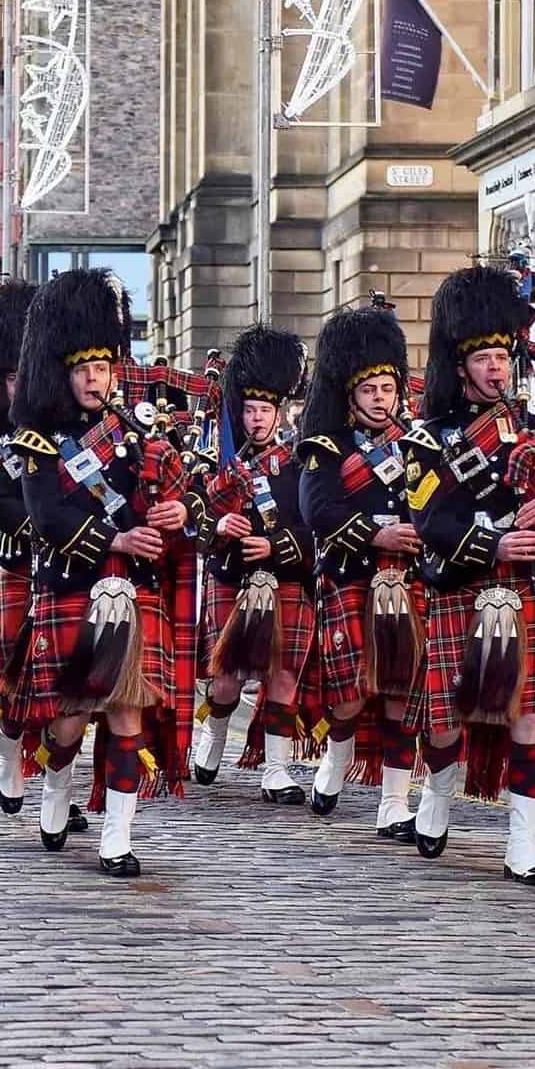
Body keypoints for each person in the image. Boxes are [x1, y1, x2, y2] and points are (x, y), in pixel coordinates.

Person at [400, 264, 535, 886]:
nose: (495, 368)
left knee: (529, 715)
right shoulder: (428, 439)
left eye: (502, 357)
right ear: (461, 366)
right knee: (448, 715)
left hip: (525, 590)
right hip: (464, 588)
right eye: (483, 358)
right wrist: (497, 538)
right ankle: (435, 797)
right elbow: (430, 520)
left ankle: (523, 845)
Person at [9, 269, 191, 876]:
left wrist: (176, 510)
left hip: (133, 589)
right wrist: (115, 534)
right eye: (84, 369)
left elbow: (176, 502)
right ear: (63, 373)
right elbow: (48, 515)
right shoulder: (38, 440)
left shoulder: (142, 437)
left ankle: (118, 837)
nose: (95, 379)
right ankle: (57, 785)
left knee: (127, 712)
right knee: (68, 720)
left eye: (104, 368)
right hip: (71, 585)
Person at [0, 275, 92, 830]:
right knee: (19, 683)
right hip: (17, 562)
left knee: (71, 690)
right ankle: (9, 746)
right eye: (9, 378)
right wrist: (50, 523)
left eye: (23, 376)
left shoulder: (67, 429)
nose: (17, 387)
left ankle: (60, 788)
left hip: (67, 567)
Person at [296, 306, 424, 837]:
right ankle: (337, 753)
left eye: (386, 387)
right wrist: (377, 534)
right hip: (351, 576)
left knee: (401, 691)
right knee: (349, 694)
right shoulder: (327, 448)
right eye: (368, 388)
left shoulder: (418, 444)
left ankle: (394, 803)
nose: (379, 397)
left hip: (406, 580)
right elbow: (316, 510)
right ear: (350, 395)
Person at [192, 324, 315, 804]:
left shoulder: (300, 464)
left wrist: (277, 544)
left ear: (279, 413)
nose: (257, 418)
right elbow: (194, 524)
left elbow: (315, 526)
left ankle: (277, 769)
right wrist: (219, 530)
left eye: (265, 410)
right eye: (249, 410)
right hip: (233, 579)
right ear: (238, 414)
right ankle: (215, 734)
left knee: (282, 674)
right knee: (226, 678)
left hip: (284, 577)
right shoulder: (218, 467)